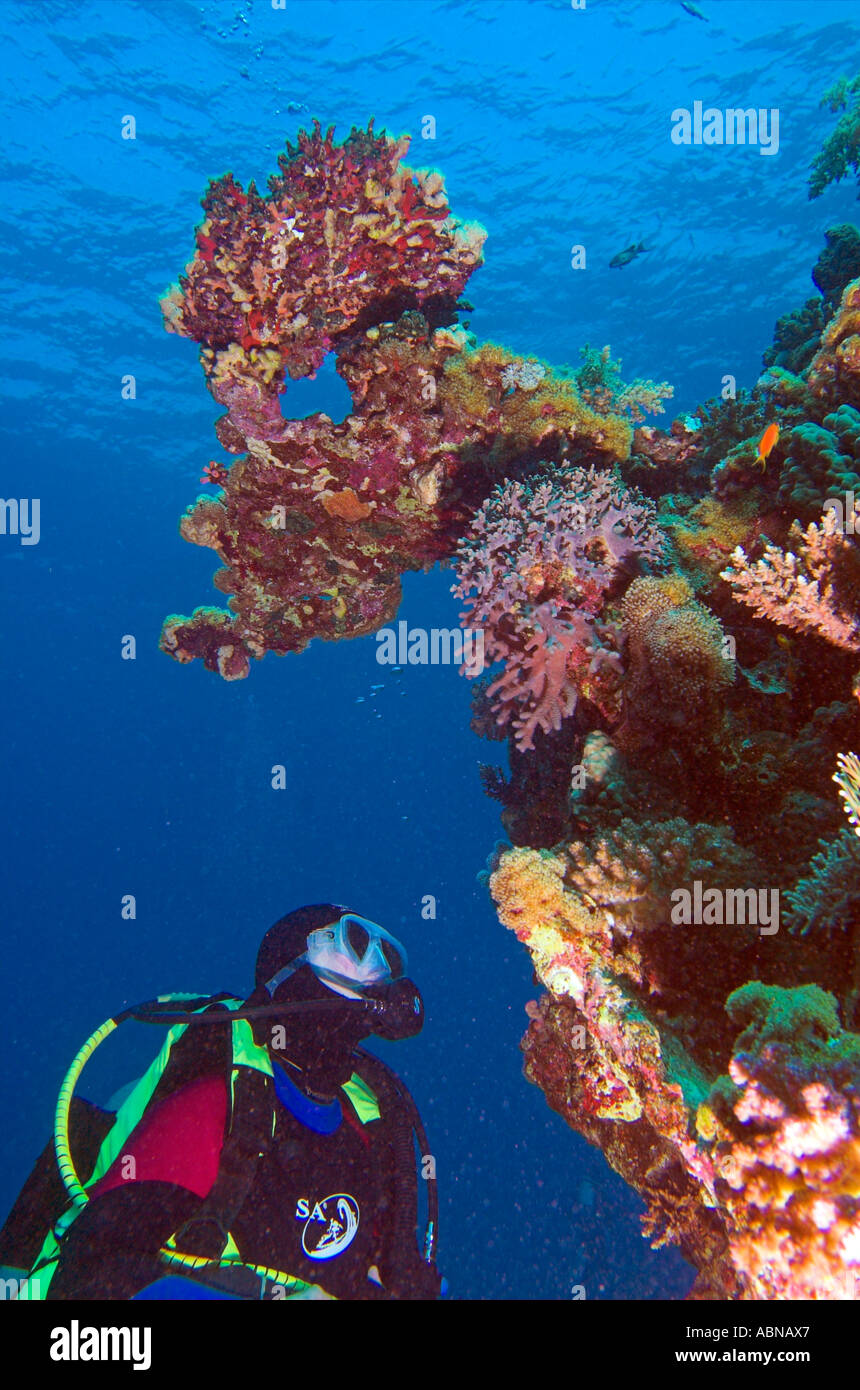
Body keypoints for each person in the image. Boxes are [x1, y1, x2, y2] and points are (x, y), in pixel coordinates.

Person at [0, 905, 441, 1300]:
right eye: (356, 943)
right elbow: (92, 1279)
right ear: (290, 969)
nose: (378, 969)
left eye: (387, 960)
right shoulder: (218, 1105)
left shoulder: (373, 1127)